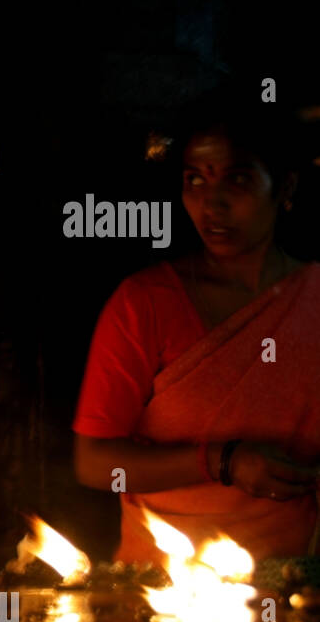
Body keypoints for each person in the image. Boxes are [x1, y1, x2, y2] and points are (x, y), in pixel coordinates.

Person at [73, 97, 320, 564]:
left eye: (237, 178)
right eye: (195, 180)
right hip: (164, 592)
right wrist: (222, 461)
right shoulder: (144, 303)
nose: (212, 201)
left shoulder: (312, 298)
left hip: (292, 591)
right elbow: (94, 463)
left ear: (285, 187)